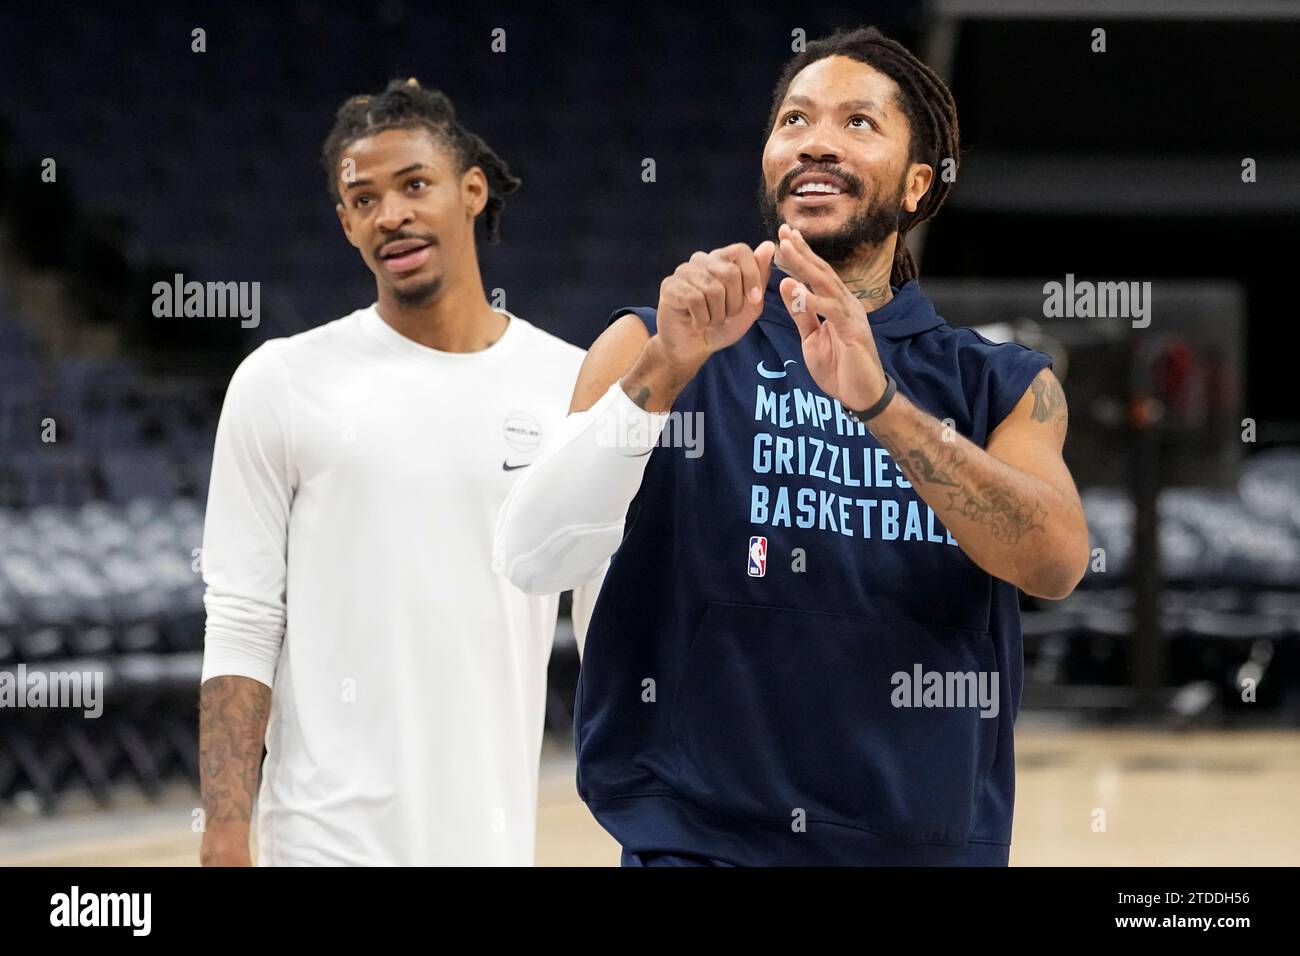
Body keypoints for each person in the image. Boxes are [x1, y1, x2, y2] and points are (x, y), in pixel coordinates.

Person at [495, 27, 1089, 866]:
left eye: (857, 124)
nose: (816, 141)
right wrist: (665, 369)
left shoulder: (1001, 382)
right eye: (795, 120)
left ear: (919, 184)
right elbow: (530, 557)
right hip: (700, 850)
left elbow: (1056, 560)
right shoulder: (654, 345)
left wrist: (881, 404)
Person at [199, 78, 596, 866]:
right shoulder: (281, 381)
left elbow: (605, 627)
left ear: (471, 190)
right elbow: (242, 622)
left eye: (415, 184)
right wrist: (223, 835)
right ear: (346, 222)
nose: (392, 215)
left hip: (491, 839)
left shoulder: (570, 384)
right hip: (321, 842)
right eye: (364, 197)